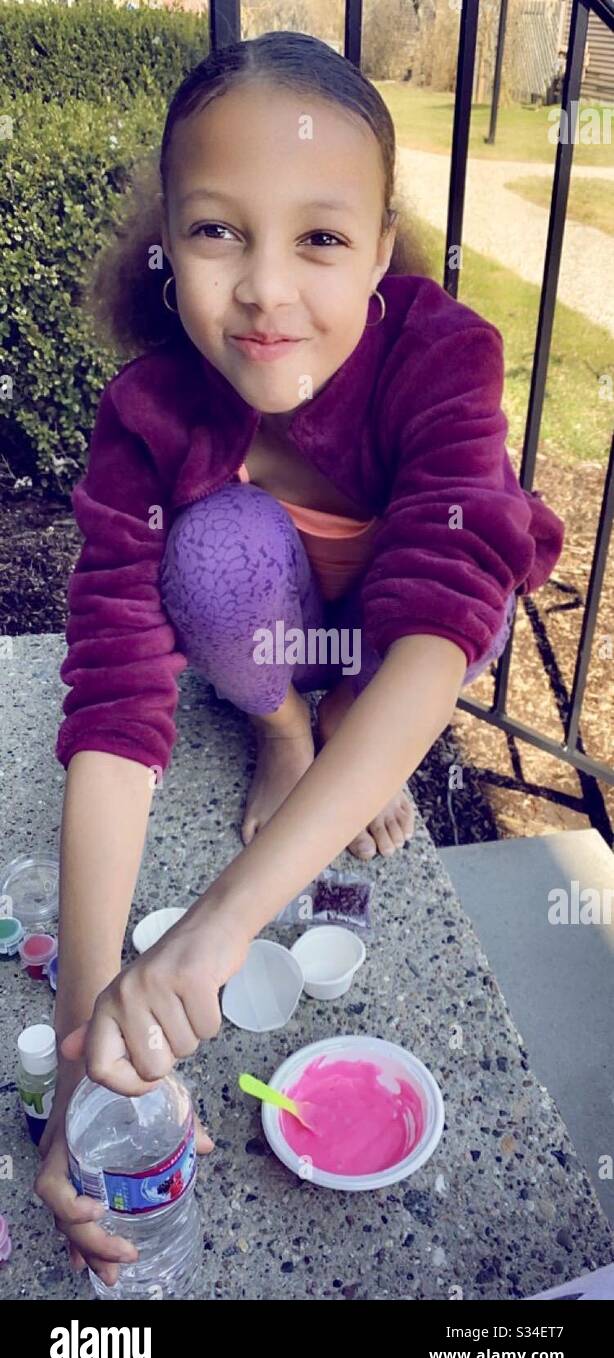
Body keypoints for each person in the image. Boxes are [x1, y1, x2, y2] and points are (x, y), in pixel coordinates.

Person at [34, 31, 564, 1287]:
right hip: (263, 634)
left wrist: (218, 925)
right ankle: (286, 735)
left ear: (381, 251)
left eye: (319, 238)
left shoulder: (441, 356)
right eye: (220, 232)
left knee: (436, 622)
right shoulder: (149, 412)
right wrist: (80, 1054)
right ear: (168, 250)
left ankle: (350, 748)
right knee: (214, 546)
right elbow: (113, 703)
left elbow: (441, 622)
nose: (267, 289)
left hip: (389, 639)